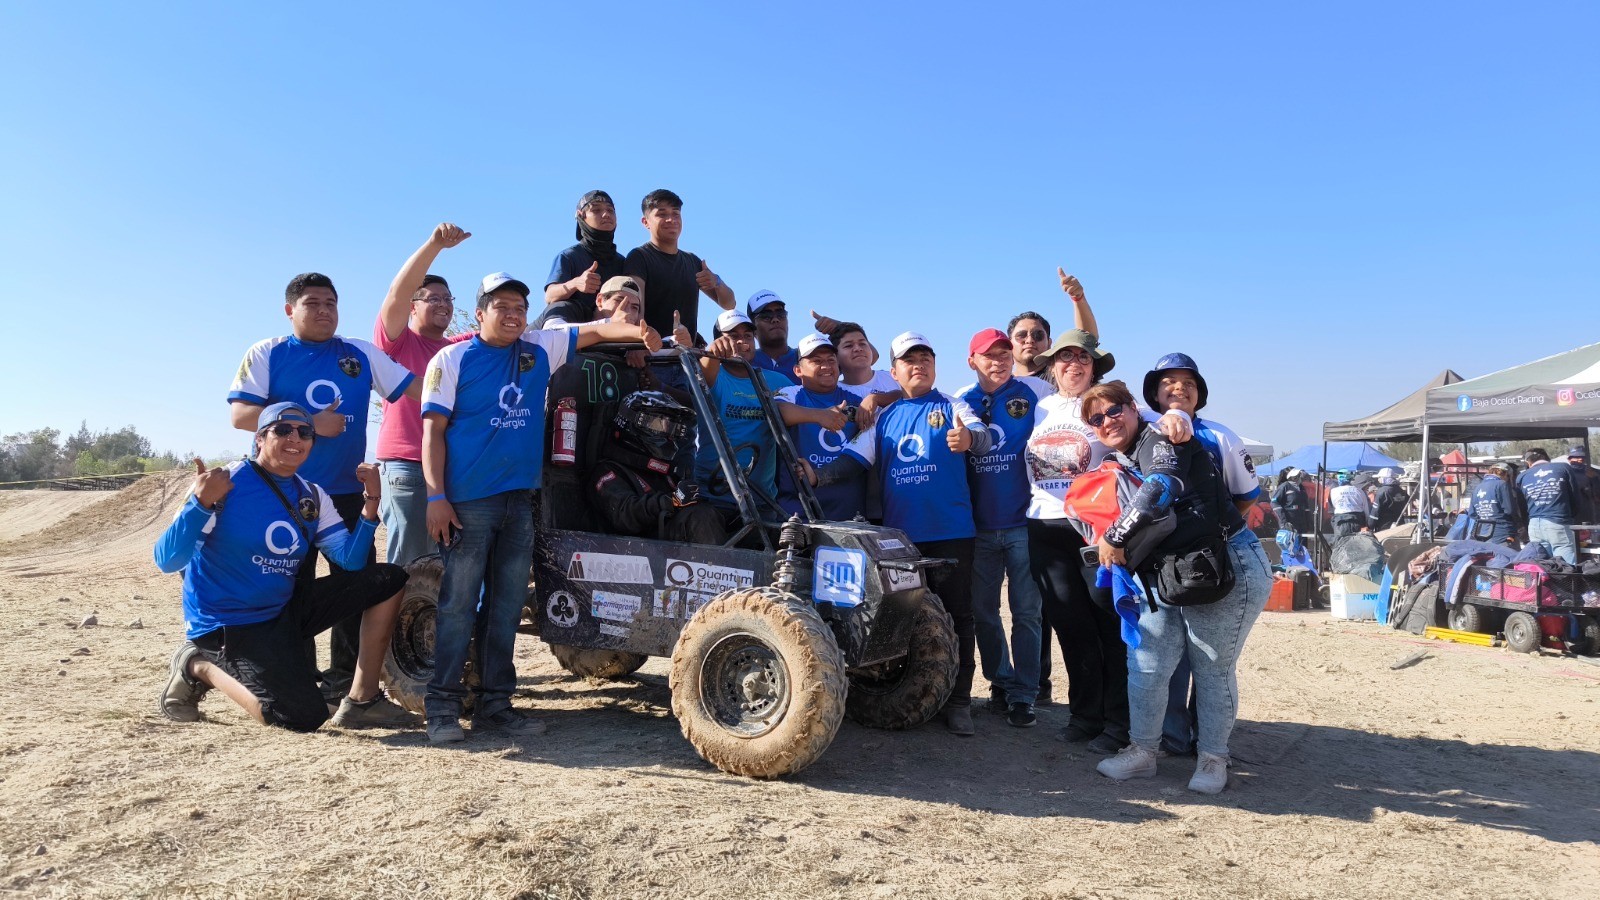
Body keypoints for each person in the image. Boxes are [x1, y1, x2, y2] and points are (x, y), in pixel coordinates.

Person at [421, 272, 661, 744]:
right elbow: (431, 431)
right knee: (457, 605)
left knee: (506, 606)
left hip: (521, 500)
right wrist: (435, 497)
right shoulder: (451, 358)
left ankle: (495, 704)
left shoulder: (537, 348)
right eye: (502, 306)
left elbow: (596, 330)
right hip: (467, 502)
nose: (513, 315)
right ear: (482, 311)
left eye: (519, 307)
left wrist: (639, 332)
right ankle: (443, 707)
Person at [155, 403, 415, 731]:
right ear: (260, 438)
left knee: (388, 578)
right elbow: (168, 560)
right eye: (283, 429)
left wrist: (372, 501)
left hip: (282, 613)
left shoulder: (312, 496)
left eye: (305, 432)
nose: (296, 437)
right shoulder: (225, 484)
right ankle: (197, 663)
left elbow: (349, 561)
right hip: (228, 623)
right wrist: (200, 503)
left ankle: (361, 698)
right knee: (299, 717)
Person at [229, 272, 421, 700]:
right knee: (287, 589)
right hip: (281, 495)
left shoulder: (359, 353)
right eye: (312, 303)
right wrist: (313, 424)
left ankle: (344, 688)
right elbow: (241, 415)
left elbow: (415, 391)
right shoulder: (267, 353)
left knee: (354, 588)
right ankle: (295, 679)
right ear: (289, 310)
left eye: (331, 303)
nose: (323, 311)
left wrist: (469, 400)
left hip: (348, 494)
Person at [1081, 381, 1273, 795]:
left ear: (1134, 408)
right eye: (1096, 419)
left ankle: (1213, 758)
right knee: (1146, 665)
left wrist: (1114, 536)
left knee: (1211, 666)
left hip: (1225, 564)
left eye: (1114, 410)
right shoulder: (1119, 456)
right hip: (1166, 571)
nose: (1107, 421)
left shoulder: (1162, 437)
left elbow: (1161, 487)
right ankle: (1143, 752)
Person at [810, 332, 992, 735]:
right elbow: (851, 462)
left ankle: (959, 702)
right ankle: (917, 694)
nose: (919, 365)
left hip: (951, 532)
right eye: (910, 360)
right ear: (893, 373)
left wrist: (969, 438)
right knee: (905, 619)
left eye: (926, 357)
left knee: (959, 616)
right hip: (899, 542)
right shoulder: (885, 418)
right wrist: (816, 477)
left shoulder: (954, 405)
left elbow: (984, 437)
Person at [1140, 352, 1261, 757]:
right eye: (1168, 383)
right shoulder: (1141, 432)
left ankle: (1205, 740)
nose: (1179, 390)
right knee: (1167, 658)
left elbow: (1243, 499)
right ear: (1154, 393)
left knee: (1208, 657)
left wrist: (1210, 532)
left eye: (1188, 384)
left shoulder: (1221, 436)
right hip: (1162, 565)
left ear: (1200, 393)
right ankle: (1173, 737)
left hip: (1210, 561)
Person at [955, 328, 1051, 728]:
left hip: (1024, 523)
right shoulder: (959, 399)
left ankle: (1024, 694)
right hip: (979, 528)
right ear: (972, 360)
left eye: (1004, 354)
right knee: (984, 613)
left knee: (1027, 612)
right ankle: (1001, 682)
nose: (999, 362)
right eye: (989, 355)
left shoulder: (1034, 394)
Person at [372, 223, 473, 570]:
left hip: (447, 470)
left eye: (449, 299)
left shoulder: (453, 349)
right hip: (407, 467)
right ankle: (395, 627)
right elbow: (397, 293)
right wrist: (435, 246)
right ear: (414, 307)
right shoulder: (397, 342)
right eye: (434, 298)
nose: (444, 304)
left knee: (441, 569)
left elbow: (507, 326)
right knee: (410, 568)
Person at [691, 310, 796, 520]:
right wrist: (712, 353)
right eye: (733, 336)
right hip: (712, 498)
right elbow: (703, 376)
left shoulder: (779, 381)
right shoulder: (711, 373)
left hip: (762, 501)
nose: (742, 341)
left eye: (747, 335)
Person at [588, 391, 725, 543]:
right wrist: (671, 501)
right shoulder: (608, 472)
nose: (668, 433)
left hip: (665, 551)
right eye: (659, 424)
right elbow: (624, 515)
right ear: (634, 424)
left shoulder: (664, 474)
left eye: (672, 426)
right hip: (627, 553)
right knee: (700, 516)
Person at [773, 333, 867, 521]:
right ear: (798, 370)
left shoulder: (859, 398)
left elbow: (898, 395)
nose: (826, 366)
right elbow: (776, 412)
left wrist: (877, 399)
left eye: (831, 360)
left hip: (849, 516)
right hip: (797, 514)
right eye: (816, 361)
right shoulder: (790, 393)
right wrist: (819, 416)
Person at [624, 189, 735, 341]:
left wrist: (716, 281)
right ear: (645, 222)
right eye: (662, 214)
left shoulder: (692, 262)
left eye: (676, 213)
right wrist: (637, 344)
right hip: (652, 355)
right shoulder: (639, 257)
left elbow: (729, 304)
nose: (671, 219)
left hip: (687, 356)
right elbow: (635, 306)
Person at [540, 190, 626, 327]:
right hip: (569, 335)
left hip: (609, 333)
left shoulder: (623, 262)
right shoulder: (568, 256)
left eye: (610, 210)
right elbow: (550, 297)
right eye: (597, 210)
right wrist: (575, 283)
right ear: (581, 216)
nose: (606, 215)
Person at [1517, 448, 1589, 564]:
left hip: (1534, 526)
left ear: (1528, 463)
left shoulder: (1522, 476)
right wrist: (1570, 518)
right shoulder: (1563, 468)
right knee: (1566, 566)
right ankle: (1566, 582)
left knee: (1543, 567)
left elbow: (1522, 508)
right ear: (1547, 458)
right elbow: (1575, 498)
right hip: (1558, 521)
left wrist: (1527, 524)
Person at [1468, 462, 1522, 544]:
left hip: (1483, 533)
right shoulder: (1502, 484)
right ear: (1506, 474)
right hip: (1503, 533)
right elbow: (1510, 510)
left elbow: (1472, 513)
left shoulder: (1477, 487)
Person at [746, 290, 798, 376]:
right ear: (752, 327)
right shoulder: (744, 362)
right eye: (766, 316)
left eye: (780, 314)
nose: (775, 319)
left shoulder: (807, 358)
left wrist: (829, 334)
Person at [1328, 470, 1373, 538]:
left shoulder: (1332, 491)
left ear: (1338, 478)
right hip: (1357, 520)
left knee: (1340, 544)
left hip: (1340, 521)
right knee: (1358, 543)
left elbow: (1331, 510)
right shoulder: (1359, 491)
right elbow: (1367, 511)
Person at [1272, 468, 1315, 536]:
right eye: (1297, 476)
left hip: (1302, 524)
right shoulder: (1284, 486)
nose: (1299, 477)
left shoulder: (1301, 488)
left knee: (1303, 544)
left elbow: (1306, 506)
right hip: (1290, 522)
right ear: (1292, 477)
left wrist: (1309, 523)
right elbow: (1274, 502)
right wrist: (1283, 522)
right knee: (1292, 544)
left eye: (1299, 475)